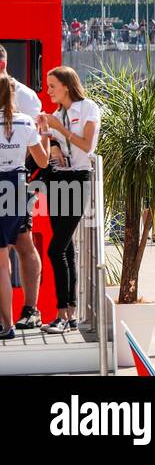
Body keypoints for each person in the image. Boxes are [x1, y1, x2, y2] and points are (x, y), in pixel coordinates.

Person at [35, 65, 101, 334]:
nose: (48, 90)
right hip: (57, 180)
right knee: (66, 248)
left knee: (55, 248)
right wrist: (52, 142)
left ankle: (64, 313)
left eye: (52, 86)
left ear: (66, 85)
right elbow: (48, 145)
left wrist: (58, 128)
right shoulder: (55, 114)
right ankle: (68, 315)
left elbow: (88, 146)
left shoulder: (87, 108)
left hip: (78, 179)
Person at [0, 76, 49, 340]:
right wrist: (45, 135)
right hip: (18, 186)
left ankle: (10, 321)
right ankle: (21, 314)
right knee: (20, 246)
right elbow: (42, 160)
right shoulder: (25, 120)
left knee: (9, 255)